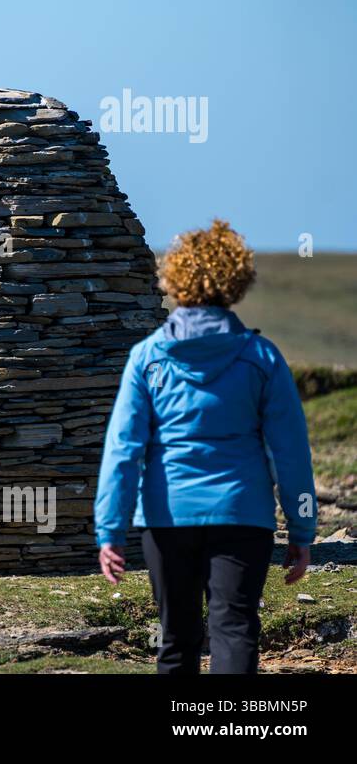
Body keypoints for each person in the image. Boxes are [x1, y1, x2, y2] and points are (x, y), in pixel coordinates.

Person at [94, 220, 316, 674]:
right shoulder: (262, 357)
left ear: (175, 280)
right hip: (242, 514)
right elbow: (291, 453)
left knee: (175, 638)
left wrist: (109, 531)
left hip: (166, 516)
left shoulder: (147, 358)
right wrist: (302, 530)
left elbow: (123, 450)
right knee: (234, 629)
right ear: (236, 280)